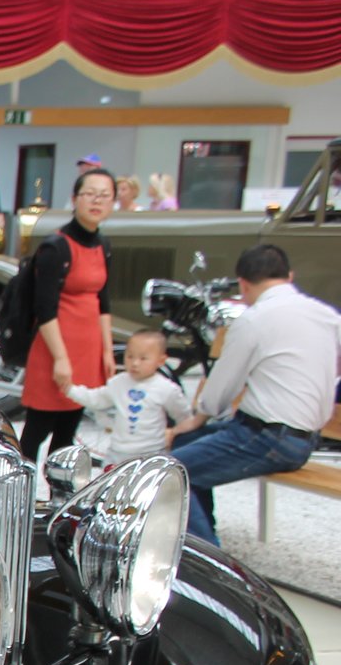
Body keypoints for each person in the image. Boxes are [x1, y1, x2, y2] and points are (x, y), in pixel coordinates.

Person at [170, 243, 341, 544]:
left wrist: (198, 418)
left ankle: (210, 564)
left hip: (268, 437)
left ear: (244, 284)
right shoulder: (327, 315)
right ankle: (203, 531)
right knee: (186, 445)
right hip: (305, 436)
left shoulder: (254, 319)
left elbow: (223, 387)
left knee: (172, 473)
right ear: (290, 276)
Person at [18, 167, 119, 466]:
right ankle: (20, 497)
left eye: (105, 195)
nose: (96, 201)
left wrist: (107, 349)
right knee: (37, 430)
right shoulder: (56, 246)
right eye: (90, 194)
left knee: (68, 430)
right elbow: (44, 308)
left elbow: (103, 299)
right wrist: (61, 358)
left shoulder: (104, 245)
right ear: (75, 199)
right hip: (55, 348)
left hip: (87, 350)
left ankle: (57, 499)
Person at [65, 330, 195, 467]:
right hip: (117, 452)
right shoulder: (118, 382)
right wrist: (70, 389)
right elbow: (96, 398)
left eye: (143, 358)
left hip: (152, 454)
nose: (135, 363)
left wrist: (174, 434)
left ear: (161, 360)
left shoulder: (167, 389)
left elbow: (184, 416)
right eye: (130, 356)